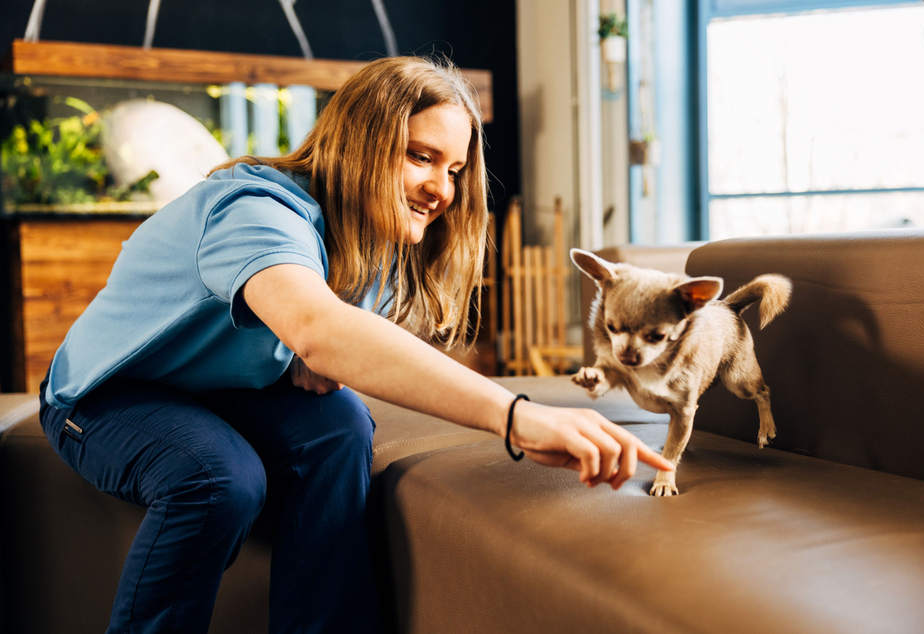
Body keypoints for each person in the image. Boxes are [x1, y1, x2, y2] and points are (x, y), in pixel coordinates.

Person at [38, 56, 673, 633]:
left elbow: (332, 345)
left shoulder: (372, 237)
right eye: (420, 157)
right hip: (104, 398)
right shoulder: (255, 210)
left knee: (341, 424)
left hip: (217, 391)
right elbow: (322, 331)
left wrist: (304, 360)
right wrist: (517, 416)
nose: (442, 190)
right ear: (359, 143)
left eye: (453, 170)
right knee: (219, 479)